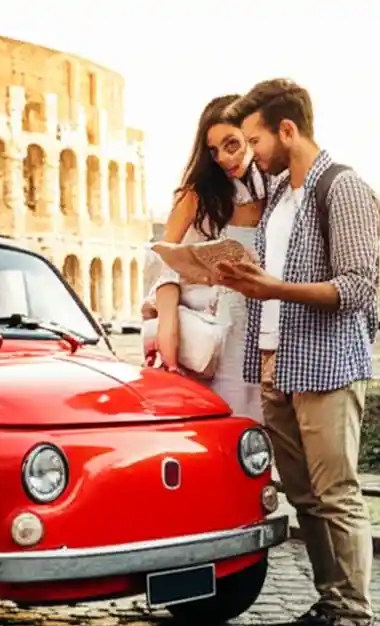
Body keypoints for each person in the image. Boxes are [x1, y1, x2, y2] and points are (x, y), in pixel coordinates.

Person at [212, 78, 380, 626]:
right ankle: (329, 604)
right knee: (305, 498)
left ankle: (355, 620)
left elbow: (359, 288)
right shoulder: (281, 193)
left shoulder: (344, 188)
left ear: (287, 130)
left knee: (337, 496)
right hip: (278, 365)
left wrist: (273, 287)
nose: (250, 150)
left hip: (330, 368)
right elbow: (270, 281)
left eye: (254, 139)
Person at [141, 94, 267, 422]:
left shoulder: (272, 196)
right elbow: (163, 264)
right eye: (214, 150)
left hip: (259, 331)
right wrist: (168, 339)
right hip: (208, 335)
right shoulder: (195, 197)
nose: (224, 158)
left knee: (258, 438)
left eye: (232, 145)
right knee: (220, 428)